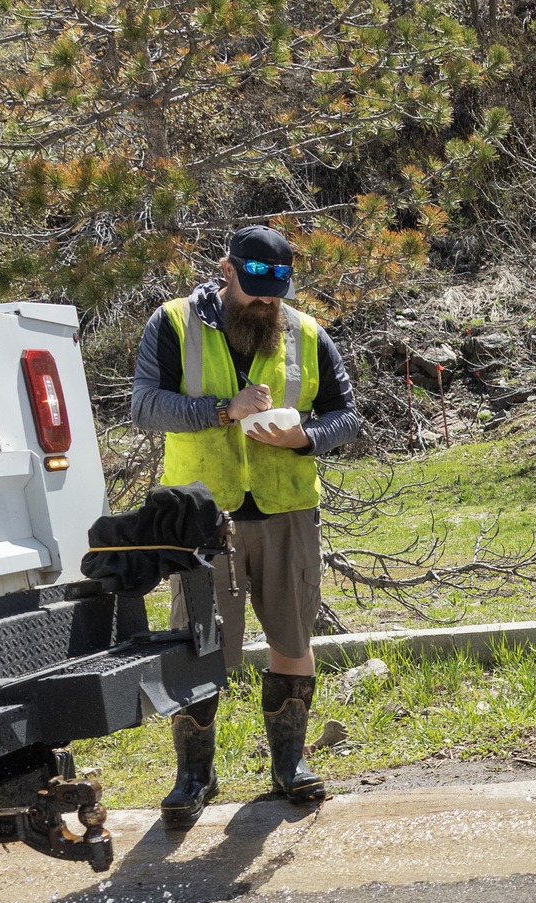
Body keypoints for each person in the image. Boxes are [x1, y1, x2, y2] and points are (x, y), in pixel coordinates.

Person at [130, 224, 363, 826]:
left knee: (292, 640)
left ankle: (289, 767)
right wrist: (219, 410)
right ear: (226, 270)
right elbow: (143, 405)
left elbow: (346, 414)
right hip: (203, 518)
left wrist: (306, 436)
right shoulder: (174, 323)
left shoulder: (307, 332)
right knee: (198, 648)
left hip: (286, 512)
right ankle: (195, 776)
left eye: (274, 295)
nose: (264, 305)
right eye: (254, 292)